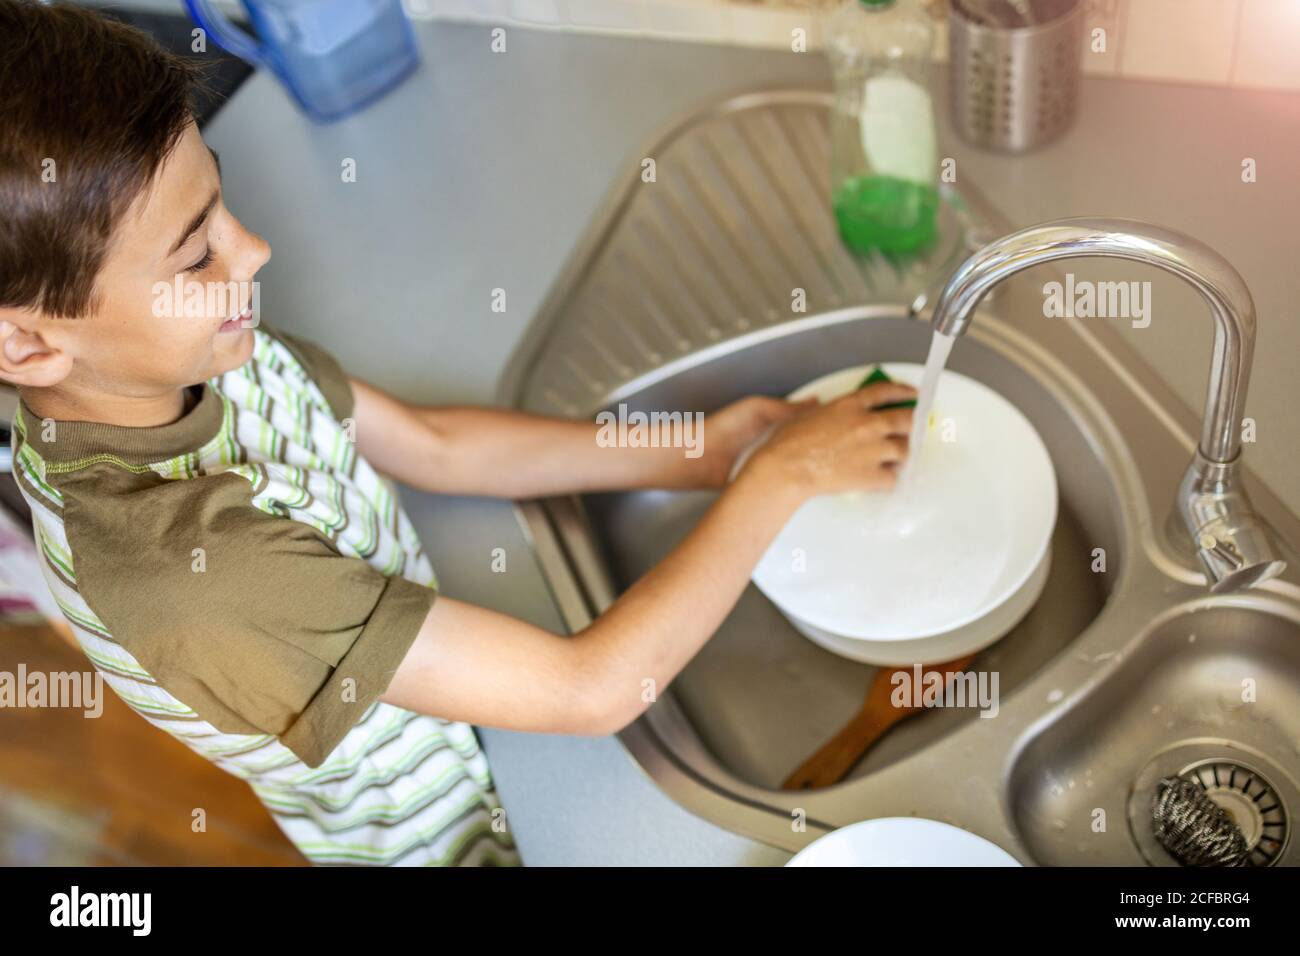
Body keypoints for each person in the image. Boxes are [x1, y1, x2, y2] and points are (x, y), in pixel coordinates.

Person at [0, 0, 914, 865]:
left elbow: (432, 443)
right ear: (27, 343)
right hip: (439, 829)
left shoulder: (181, 357)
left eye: (221, 208)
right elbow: (588, 689)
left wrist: (701, 450)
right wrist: (778, 480)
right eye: (196, 251)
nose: (253, 250)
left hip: (451, 697)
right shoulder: (199, 578)